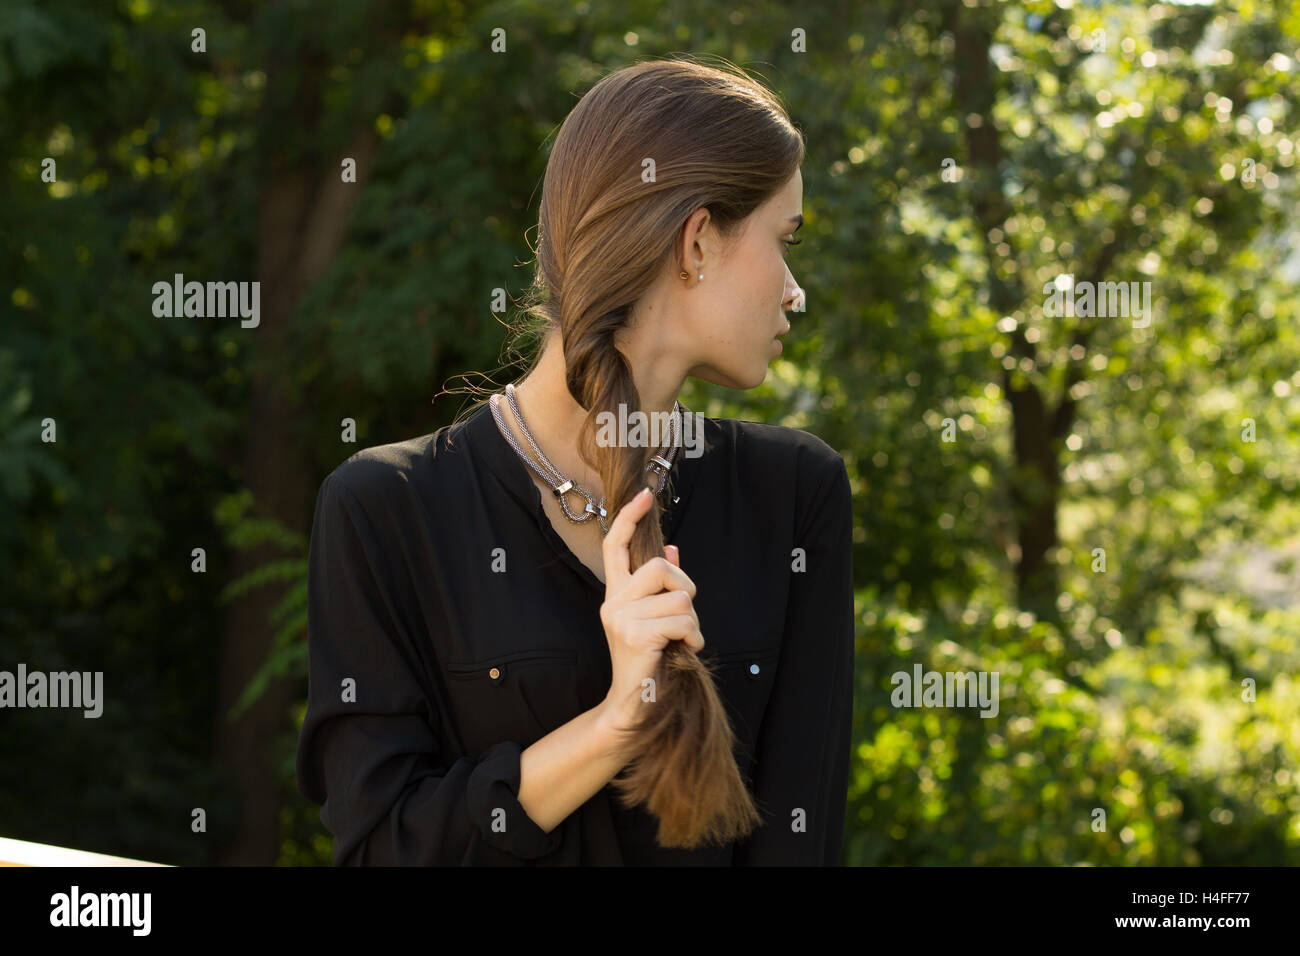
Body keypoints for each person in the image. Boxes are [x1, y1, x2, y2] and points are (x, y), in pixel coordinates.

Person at [295, 55, 854, 865]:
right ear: (697, 240)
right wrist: (614, 723)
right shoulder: (387, 509)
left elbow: (804, 843)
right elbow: (382, 847)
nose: (796, 290)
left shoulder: (794, 496)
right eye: (785, 239)